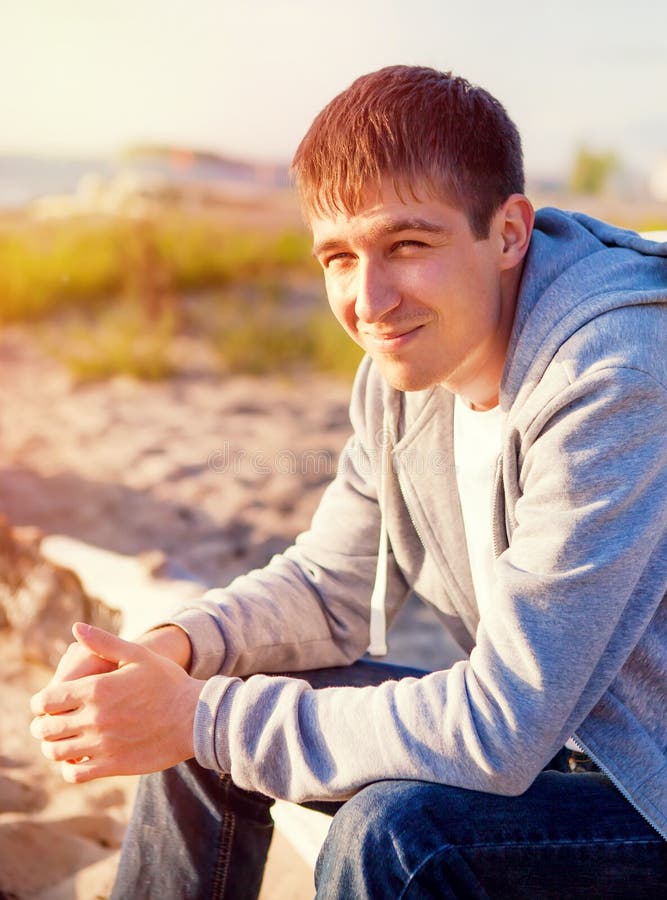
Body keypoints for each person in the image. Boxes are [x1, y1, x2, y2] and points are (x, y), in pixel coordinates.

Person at [30, 65, 666, 898]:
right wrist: (173, 654)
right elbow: (331, 587)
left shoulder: (613, 376)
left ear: (508, 232)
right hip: (562, 740)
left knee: (400, 835)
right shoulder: (409, 364)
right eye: (338, 256)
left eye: (407, 245)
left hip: (643, 784)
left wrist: (200, 716)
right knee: (202, 718)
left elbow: (501, 724)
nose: (369, 301)